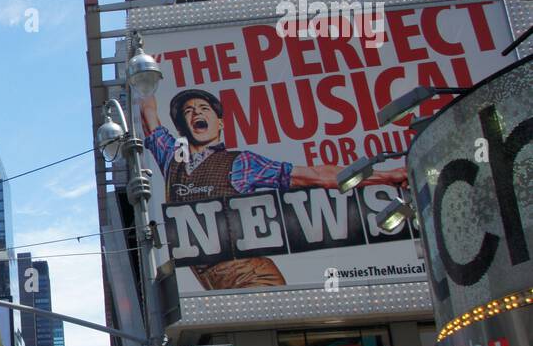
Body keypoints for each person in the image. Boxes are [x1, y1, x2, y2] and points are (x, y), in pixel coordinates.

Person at [138, 89, 405, 290]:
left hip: (252, 276)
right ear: (181, 126)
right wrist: (144, 72)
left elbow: (316, 176)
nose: (196, 112)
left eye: (204, 108)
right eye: (188, 110)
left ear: (220, 123)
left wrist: (388, 176)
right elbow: (148, 113)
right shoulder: (173, 158)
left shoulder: (241, 163)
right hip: (214, 284)